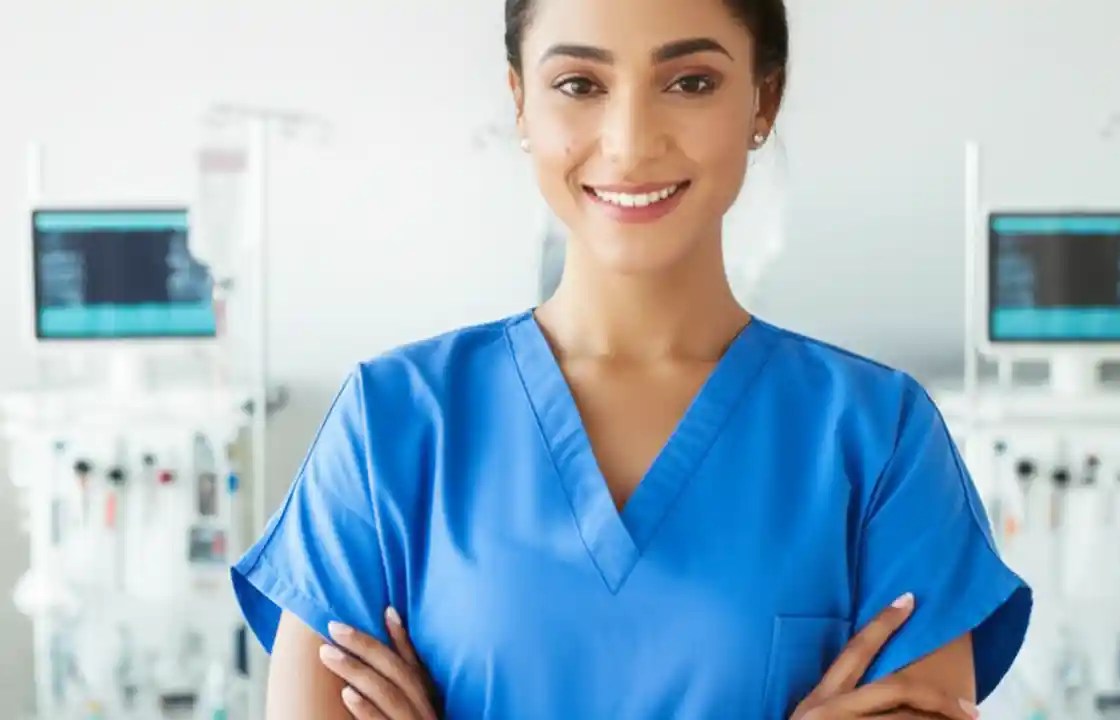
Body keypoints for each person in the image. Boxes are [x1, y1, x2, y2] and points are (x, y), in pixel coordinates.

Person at [229, 0, 1033, 717]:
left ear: (765, 99)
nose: (630, 141)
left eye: (689, 82)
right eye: (580, 85)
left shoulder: (879, 439)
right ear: (520, 103)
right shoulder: (392, 427)